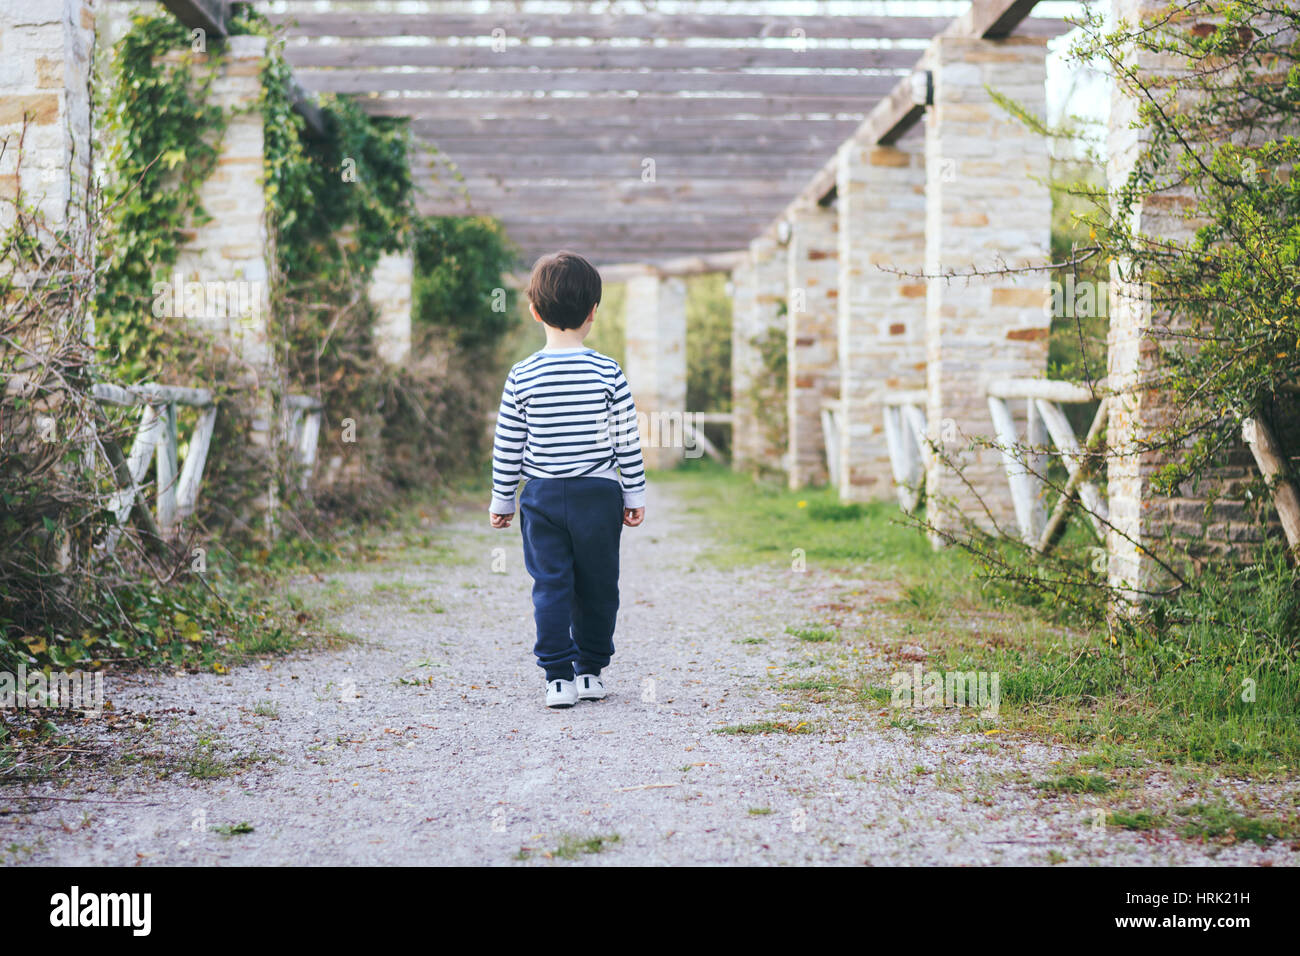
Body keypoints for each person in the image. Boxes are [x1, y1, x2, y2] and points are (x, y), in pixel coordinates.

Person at [488, 251, 646, 708]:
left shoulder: (521, 375)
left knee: (551, 584)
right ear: (593, 312)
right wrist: (633, 493)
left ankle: (557, 678)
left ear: (534, 311)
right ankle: (591, 671)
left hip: (541, 497)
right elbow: (626, 442)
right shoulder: (607, 372)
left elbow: (509, 444)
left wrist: (503, 499)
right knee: (599, 585)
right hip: (598, 495)